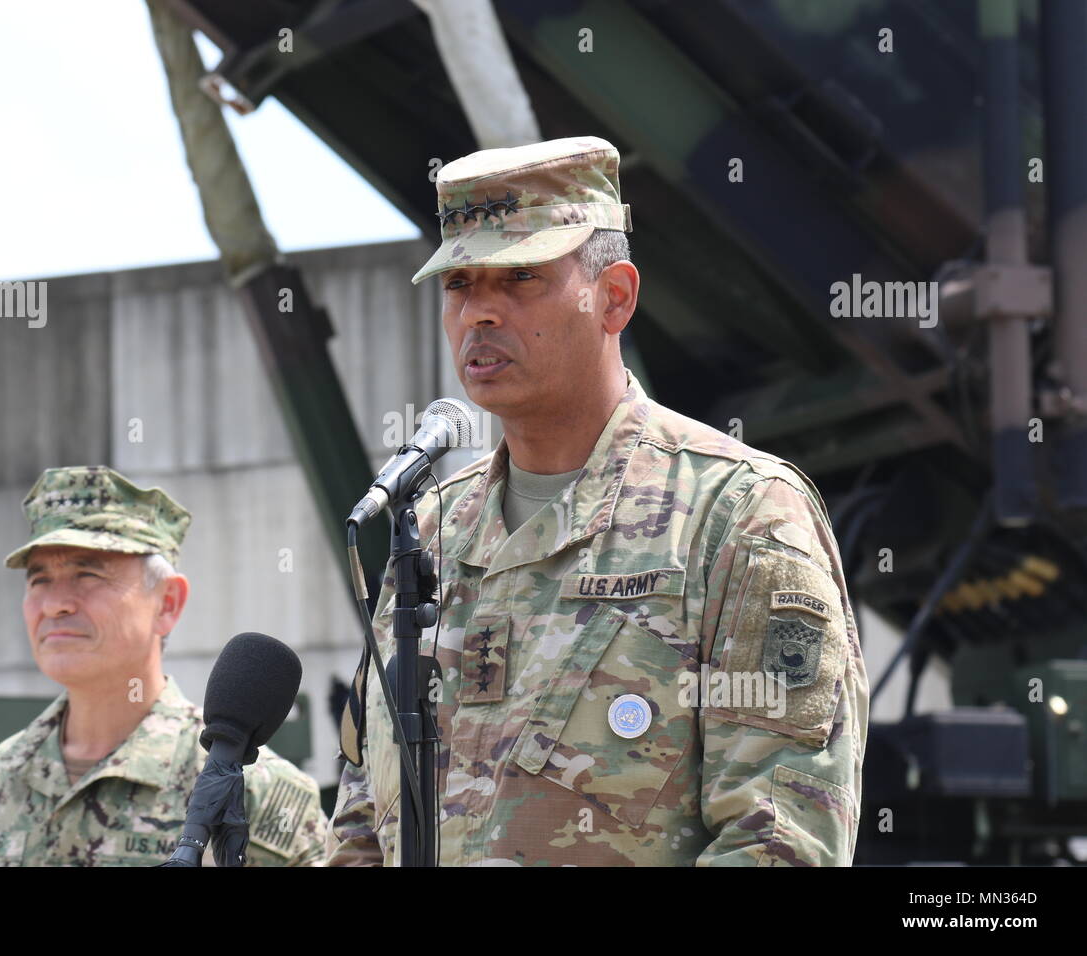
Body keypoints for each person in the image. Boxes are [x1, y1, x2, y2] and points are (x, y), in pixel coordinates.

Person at [327, 136, 868, 866]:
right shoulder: (425, 534)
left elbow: (780, 840)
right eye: (459, 284)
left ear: (614, 296)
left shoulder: (738, 516)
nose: (479, 312)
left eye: (519, 277)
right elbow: (361, 827)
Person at [0, 465, 326, 866]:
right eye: (39, 580)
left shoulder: (249, 788)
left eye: (88, 574)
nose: (56, 604)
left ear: (167, 603)